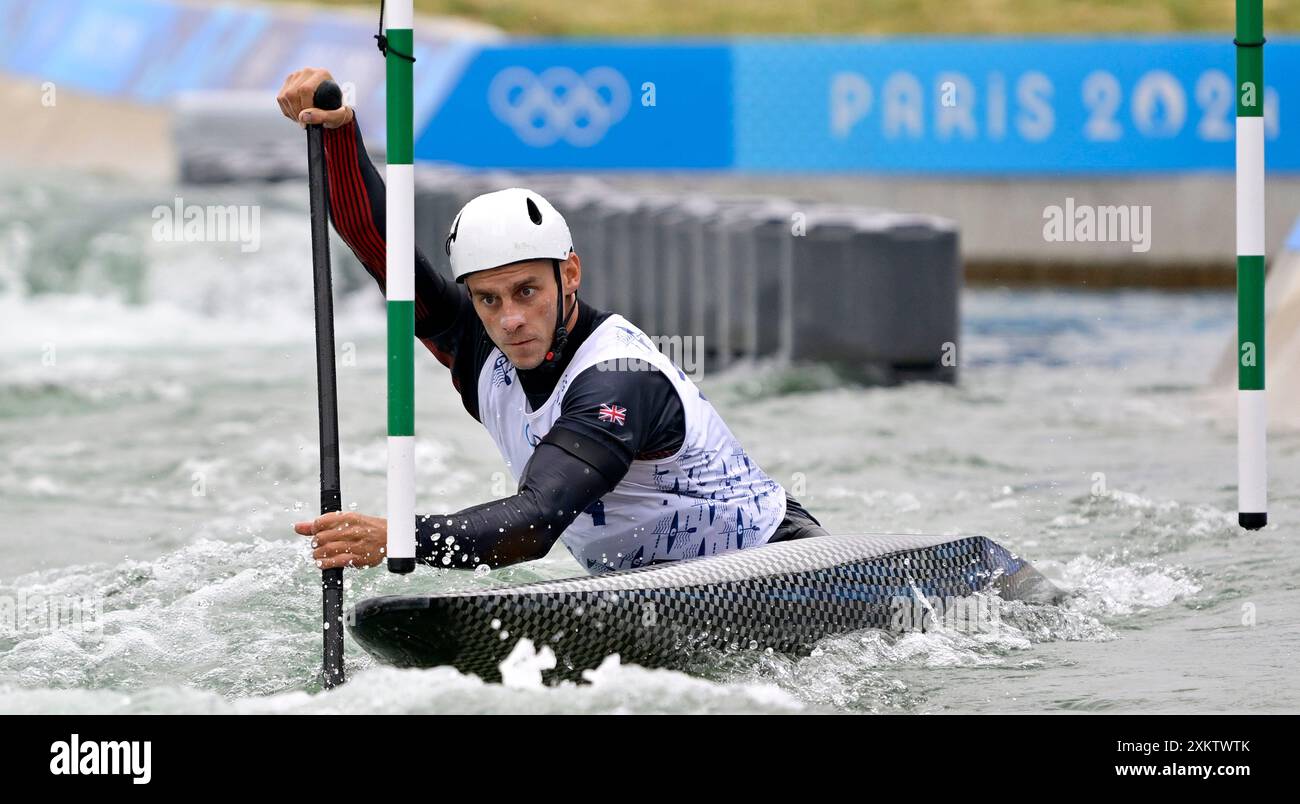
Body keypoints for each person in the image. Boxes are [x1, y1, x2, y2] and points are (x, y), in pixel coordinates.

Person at [280, 67, 827, 575]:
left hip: (779, 566)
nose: (511, 319)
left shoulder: (619, 378)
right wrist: (337, 135)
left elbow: (536, 522)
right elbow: (386, 254)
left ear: (569, 274)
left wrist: (402, 538)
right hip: (650, 591)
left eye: (526, 291)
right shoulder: (477, 341)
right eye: (488, 299)